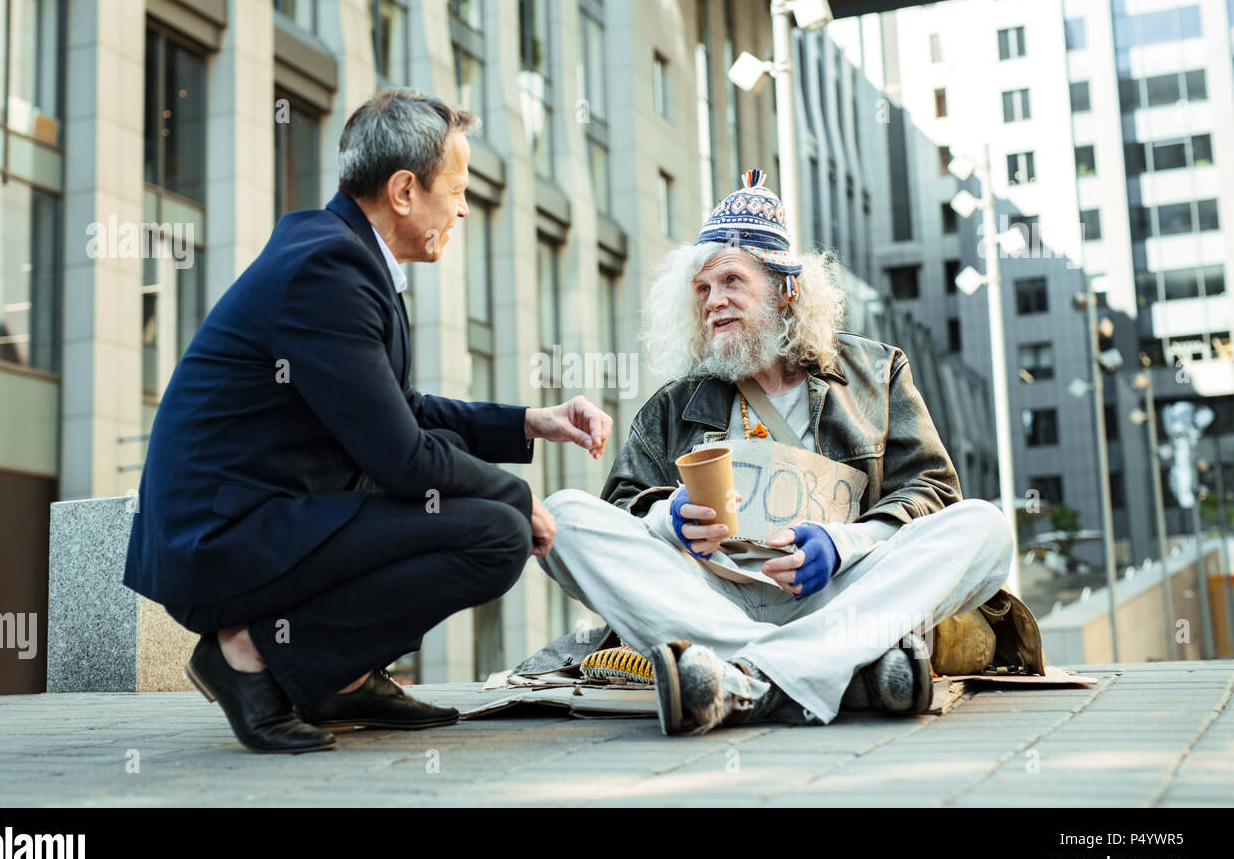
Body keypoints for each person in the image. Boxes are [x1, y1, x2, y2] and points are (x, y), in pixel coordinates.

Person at [124, 89, 611, 753]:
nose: (464, 208)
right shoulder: (328, 267)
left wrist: (530, 421)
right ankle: (246, 655)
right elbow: (403, 458)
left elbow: (398, 416)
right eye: (458, 190)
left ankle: (343, 680)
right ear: (405, 190)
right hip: (219, 542)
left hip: (255, 523)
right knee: (496, 534)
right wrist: (518, 496)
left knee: (483, 515)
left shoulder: (341, 255)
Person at [539, 170, 1014, 736]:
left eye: (732, 282)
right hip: (710, 601)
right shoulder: (674, 403)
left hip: (841, 597)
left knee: (986, 527)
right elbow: (621, 510)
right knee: (562, 518)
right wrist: (670, 521)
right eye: (703, 291)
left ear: (786, 288)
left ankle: (738, 681)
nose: (714, 302)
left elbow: (934, 491)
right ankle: (822, 672)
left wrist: (844, 544)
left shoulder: (877, 372)